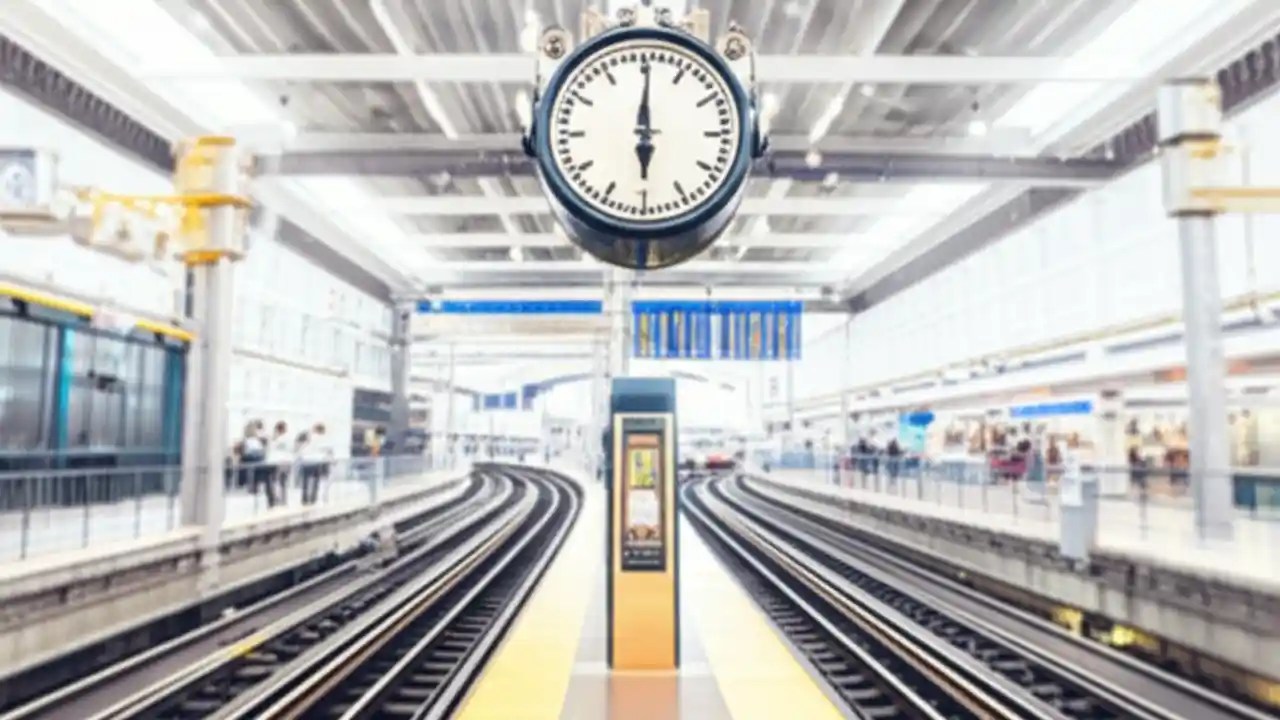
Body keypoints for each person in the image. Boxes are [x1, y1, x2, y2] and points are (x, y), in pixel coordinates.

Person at [301, 423, 331, 505]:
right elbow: (327, 451)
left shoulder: (309, 437)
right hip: (317, 462)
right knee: (315, 481)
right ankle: (313, 498)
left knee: (305, 481)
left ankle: (305, 499)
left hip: (306, 461)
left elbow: (303, 448)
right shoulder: (324, 439)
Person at [267, 421, 292, 506]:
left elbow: (270, 451)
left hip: (277, 462)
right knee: (283, 482)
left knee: (276, 481)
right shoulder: (286, 438)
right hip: (285, 462)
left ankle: (277, 499)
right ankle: (283, 500)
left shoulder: (274, 439)